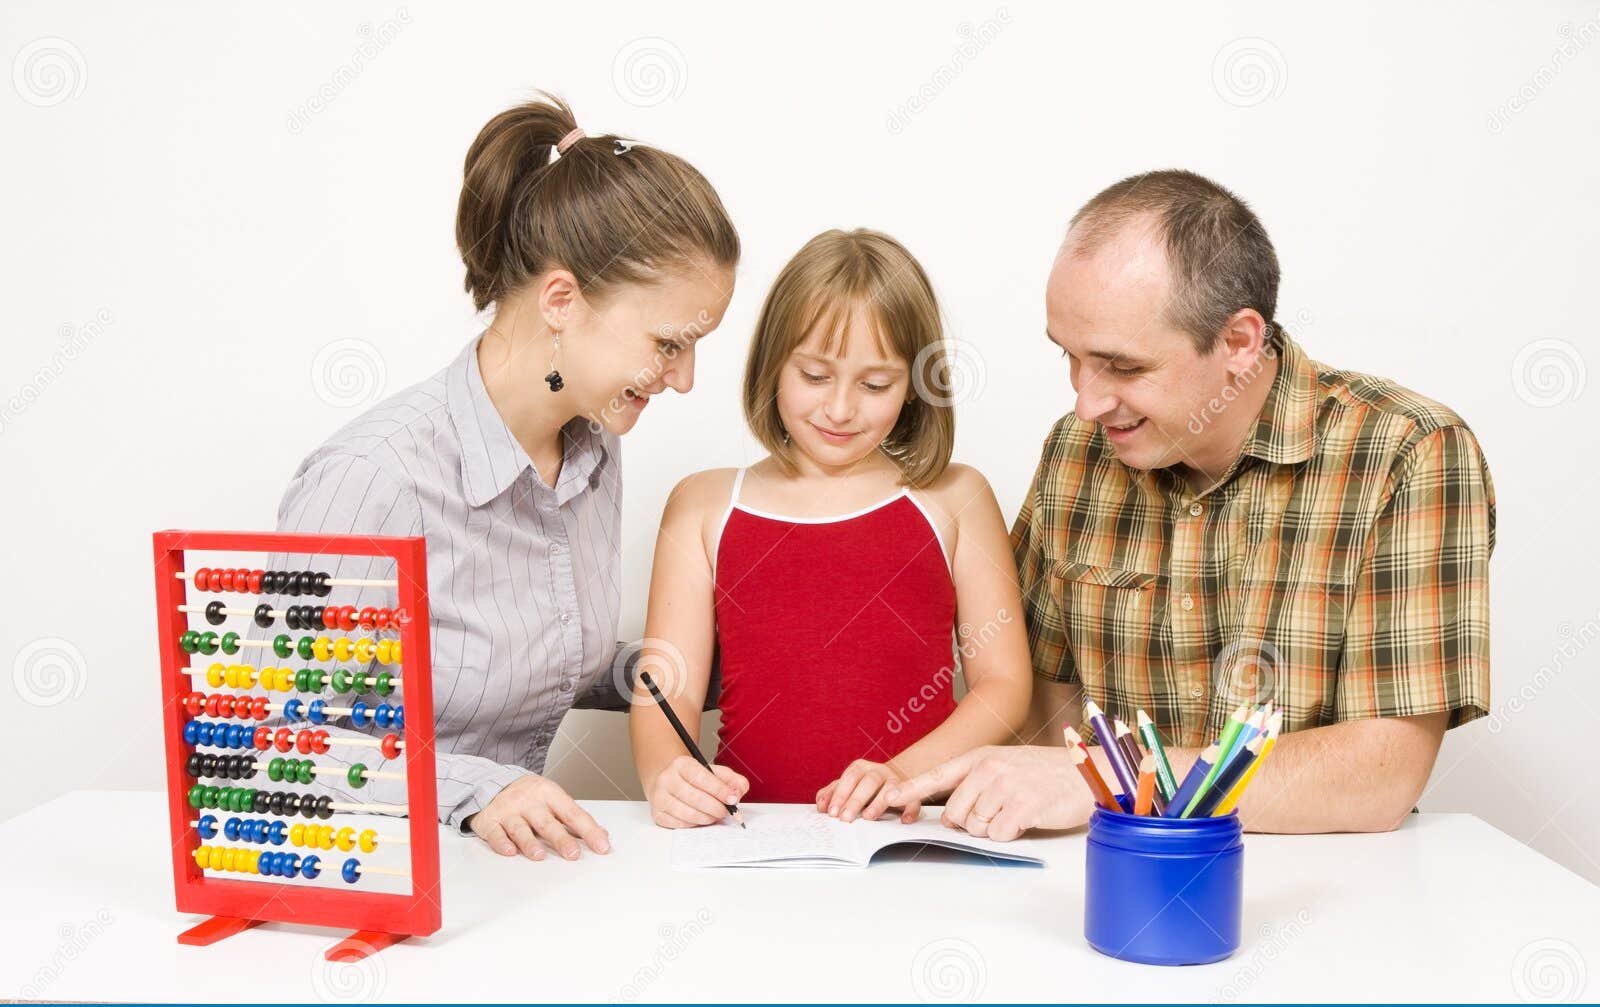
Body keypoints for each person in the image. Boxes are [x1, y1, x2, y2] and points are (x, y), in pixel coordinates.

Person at [889, 170, 1494, 839]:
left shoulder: (1409, 454)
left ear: (1239, 341)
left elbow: (1380, 777)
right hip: (1102, 879)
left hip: (1321, 892)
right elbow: (1043, 697)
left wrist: (1112, 783)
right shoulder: (1076, 451)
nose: (1085, 401)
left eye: (1122, 367)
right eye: (1070, 357)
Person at [268, 92, 740, 861]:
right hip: (375, 885)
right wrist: (475, 788)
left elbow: (547, 660)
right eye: (667, 343)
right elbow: (270, 744)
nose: (683, 379)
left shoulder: (590, 447)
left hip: (518, 884)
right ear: (561, 300)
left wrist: (739, 661)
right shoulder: (373, 479)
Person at [629, 228, 1033, 827]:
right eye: (815, 376)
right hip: (745, 838)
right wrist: (667, 774)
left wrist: (900, 778)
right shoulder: (702, 505)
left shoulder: (955, 498)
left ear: (916, 387)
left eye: (875, 385)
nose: (840, 409)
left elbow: (1003, 687)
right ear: (772, 366)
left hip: (913, 833)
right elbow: (669, 689)